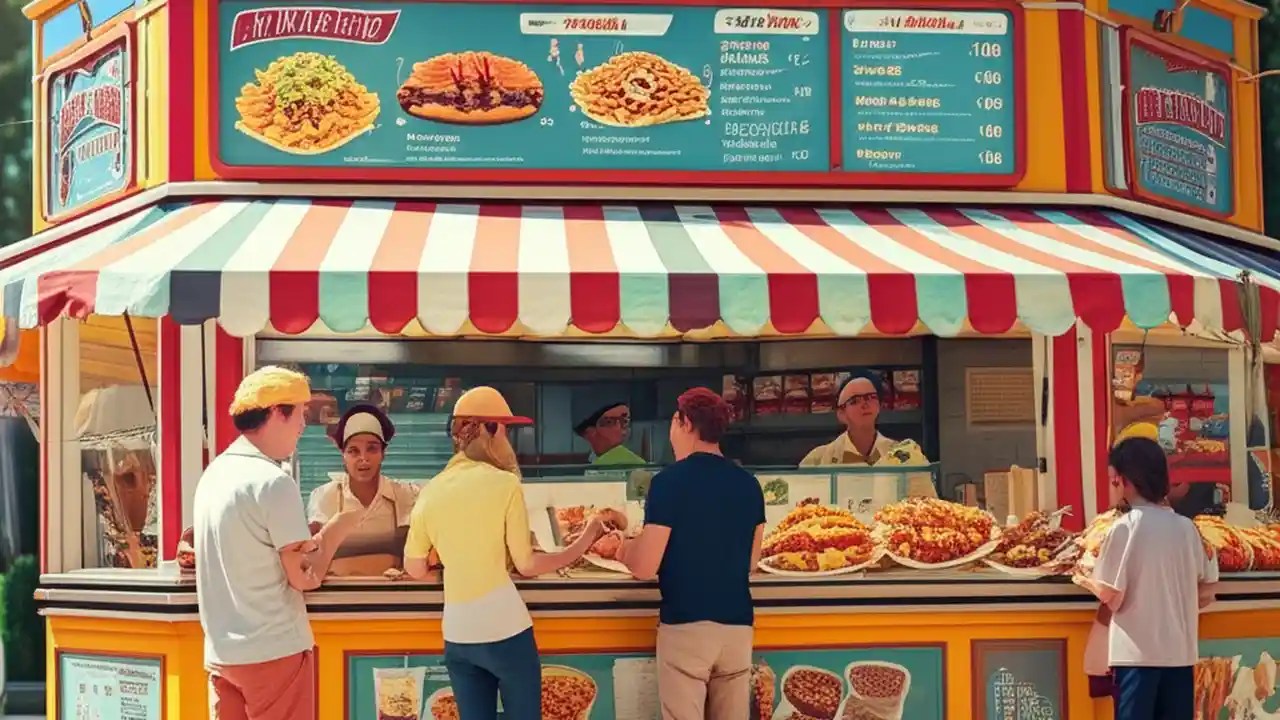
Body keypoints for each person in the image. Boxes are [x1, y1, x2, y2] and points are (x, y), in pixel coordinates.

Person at [403, 386, 609, 720]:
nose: (507, 438)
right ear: (490, 429)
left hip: (457, 633)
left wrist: (453, 569)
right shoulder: (505, 483)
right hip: (506, 632)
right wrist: (583, 542)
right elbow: (527, 564)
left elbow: (413, 566)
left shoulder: (431, 490)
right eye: (505, 429)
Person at [194, 366, 368, 720]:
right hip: (273, 651)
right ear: (276, 412)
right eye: (300, 414)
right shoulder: (273, 481)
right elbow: (304, 576)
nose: (304, 426)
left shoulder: (214, 475)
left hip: (222, 654)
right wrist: (337, 528)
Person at [616, 387, 766, 720]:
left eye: (673, 421)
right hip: (738, 630)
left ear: (684, 422)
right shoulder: (749, 484)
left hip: (686, 628)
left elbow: (644, 566)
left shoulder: (669, 482)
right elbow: (752, 561)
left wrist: (621, 548)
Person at [1073, 436, 1219, 720]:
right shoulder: (1187, 529)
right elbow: (1205, 593)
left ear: (1124, 480)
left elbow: (1110, 595)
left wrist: (1084, 574)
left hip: (1135, 659)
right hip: (1180, 655)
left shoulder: (1125, 528)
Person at [307, 405, 420, 576]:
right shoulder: (325, 496)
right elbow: (310, 555)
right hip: (336, 596)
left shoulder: (405, 495)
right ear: (343, 455)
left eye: (372, 449)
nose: (363, 458)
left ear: (383, 453)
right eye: (353, 451)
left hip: (392, 595)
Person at [800, 375, 908, 466]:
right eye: (855, 401)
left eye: (871, 397)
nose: (865, 404)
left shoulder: (903, 455)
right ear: (841, 413)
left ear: (879, 405)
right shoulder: (817, 460)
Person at [576, 402, 646, 465]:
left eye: (624, 422)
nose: (620, 429)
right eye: (609, 422)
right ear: (590, 432)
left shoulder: (636, 465)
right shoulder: (587, 462)